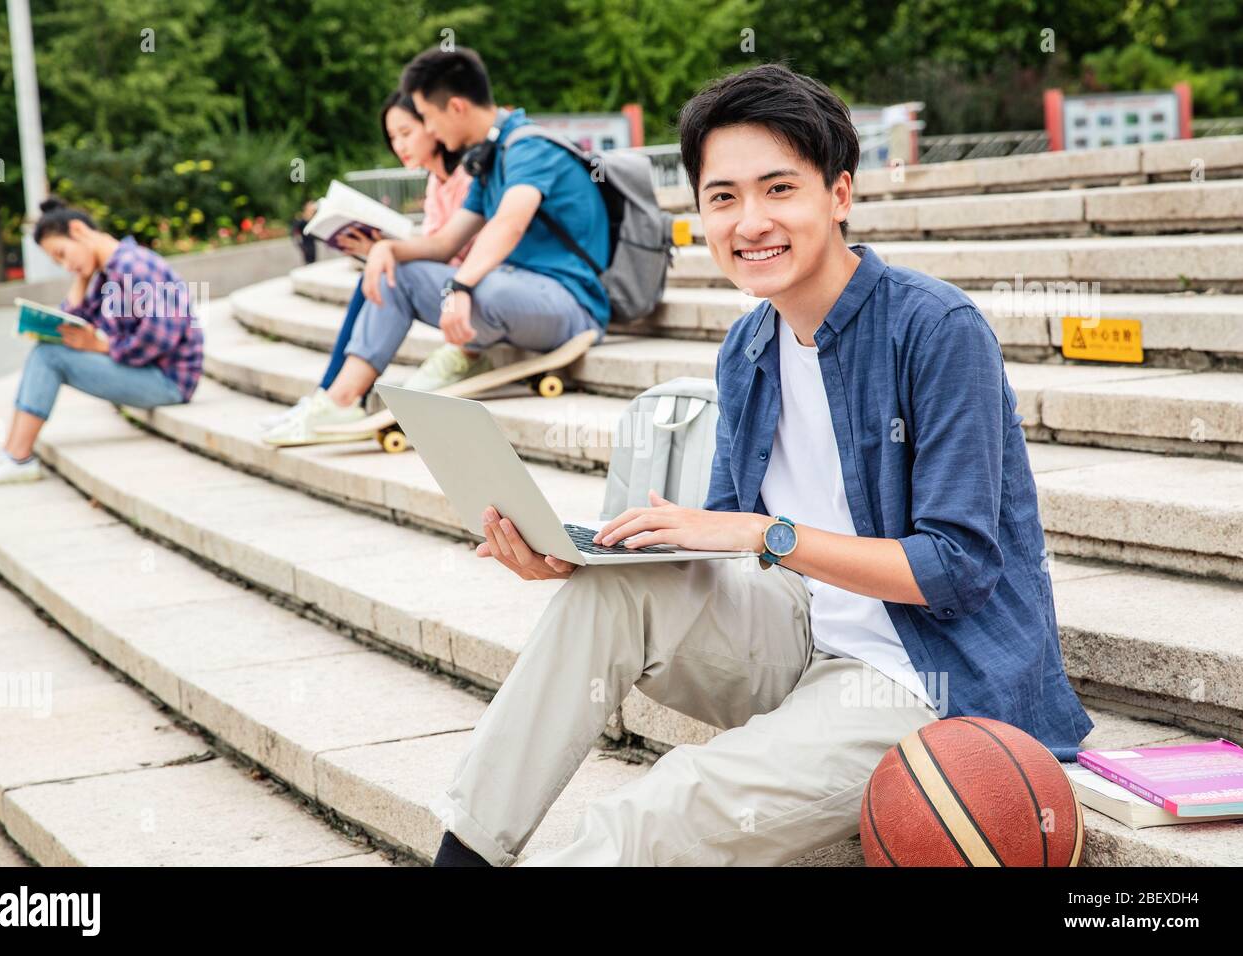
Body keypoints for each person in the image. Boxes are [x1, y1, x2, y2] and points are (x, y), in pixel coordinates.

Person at [427, 63, 1095, 867]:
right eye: (723, 197)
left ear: (839, 194)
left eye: (780, 189)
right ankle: (463, 854)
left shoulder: (936, 330)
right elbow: (721, 547)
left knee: (663, 810)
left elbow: (956, 569)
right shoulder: (747, 349)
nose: (750, 222)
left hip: (928, 681)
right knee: (605, 599)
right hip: (798, 638)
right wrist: (579, 557)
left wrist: (767, 533)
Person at [266, 45, 610, 445]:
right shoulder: (491, 157)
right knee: (399, 273)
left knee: (488, 282)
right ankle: (341, 400)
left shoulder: (528, 148)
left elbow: (510, 223)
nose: (430, 131)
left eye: (428, 118)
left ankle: (459, 355)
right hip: (517, 295)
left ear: (457, 107)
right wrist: (387, 250)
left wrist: (460, 287)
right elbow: (446, 242)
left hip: (570, 305)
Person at [260, 90, 474, 437]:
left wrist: (389, 250)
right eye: (393, 138)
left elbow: (447, 251)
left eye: (406, 133)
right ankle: (327, 396)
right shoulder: (438, 181)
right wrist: (378, 247)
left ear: (432, 125)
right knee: (377, 274)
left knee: (390, 273)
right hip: (448, 285)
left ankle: (338, 397)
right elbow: (439, 252)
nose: (399, 145)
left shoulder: (468, 177)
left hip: (471, 291)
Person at [0, 198, 202, 487]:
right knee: (48, 350)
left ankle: (17, 457)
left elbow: (162, 335)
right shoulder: (107, 273)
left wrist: (101, 347)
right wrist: (81, 276)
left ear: (77, 230)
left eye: (62, 254)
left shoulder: (132, 264)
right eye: (58, 262)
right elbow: (70, 322)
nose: (66, 265)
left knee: (49, 356)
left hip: (168, 382)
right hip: (150, 375)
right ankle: (11, 454)